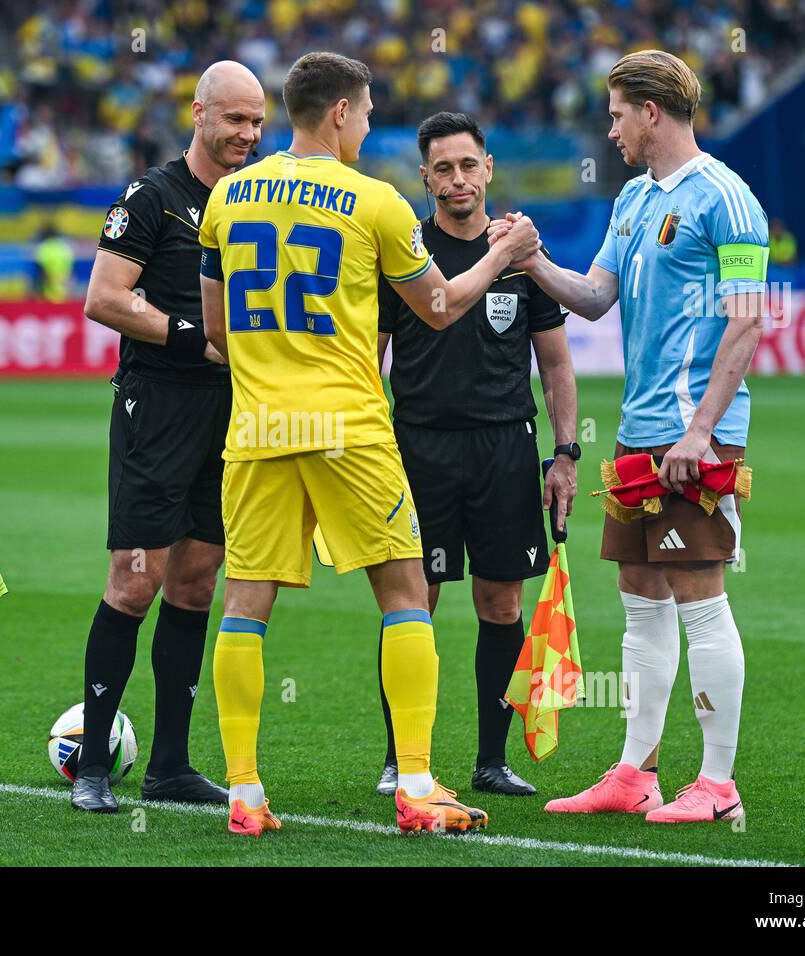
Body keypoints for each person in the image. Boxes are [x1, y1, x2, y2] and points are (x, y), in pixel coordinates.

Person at [198, 52, 541, 836]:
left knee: (245, 605)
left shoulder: (226, 198)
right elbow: (444, 305)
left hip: (256, 428)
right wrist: (503, 252)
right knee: (404, 590)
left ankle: (245, 792)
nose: (372, 123)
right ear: (342, 113)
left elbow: (215, 331)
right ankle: (417, 783)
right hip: (347, 426)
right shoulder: (373, 200)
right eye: (370, 111)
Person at [512, 50, 767, 823]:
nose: (612, 127)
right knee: (640, 604)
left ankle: (718, 786)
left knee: (700, 600)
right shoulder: (630, 199)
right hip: (635, 437)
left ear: (651, 111)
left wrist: (701, 431)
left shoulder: (728, 198)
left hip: (695, 440)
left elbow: (747, 318)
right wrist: (532, 260)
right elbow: (592, 298)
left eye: (618, 112)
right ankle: (635, 772)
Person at [72, 61, 265, 813]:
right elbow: (105, 299)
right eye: (234, 120)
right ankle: (92, 764)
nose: (247, 135)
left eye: (256, 122)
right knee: (136, 579)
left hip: (233, 413)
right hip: (158, 407)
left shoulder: (259, 202)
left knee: (196, 580)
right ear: (198, 113)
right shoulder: (151, 198)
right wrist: (195, 338)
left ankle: (171, 765)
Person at [373, 111, 578, 799]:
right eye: (443, 169)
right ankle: (403, 760)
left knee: (500, 603)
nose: (457, 180)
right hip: (419, 448)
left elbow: (555, 367)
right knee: (412, 603)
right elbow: (370, 362)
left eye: (468, 165)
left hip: (505, 448)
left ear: (488, 168)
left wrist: (566, 453)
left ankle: (491, 763)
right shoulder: (403, 252)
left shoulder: (522, 256)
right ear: (425, 177)